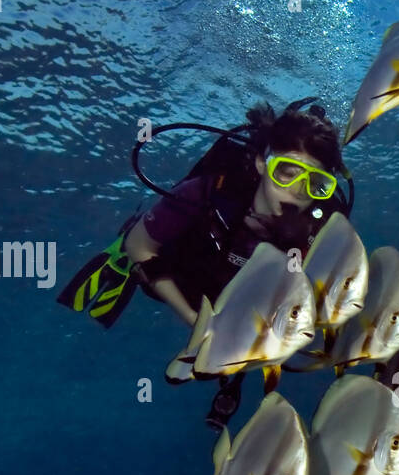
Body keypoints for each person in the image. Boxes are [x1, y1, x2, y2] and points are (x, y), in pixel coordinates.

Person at [58, 99, 353, 427]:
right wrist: (195, 320)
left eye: (317, 183)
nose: (299, 190)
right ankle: (121, 259)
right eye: (287, 172)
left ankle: (231, 376)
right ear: (260, 163)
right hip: (188, 274)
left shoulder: (323, 231)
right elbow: (142, 246)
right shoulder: (209, 192)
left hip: (255, 305)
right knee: (138, 255)